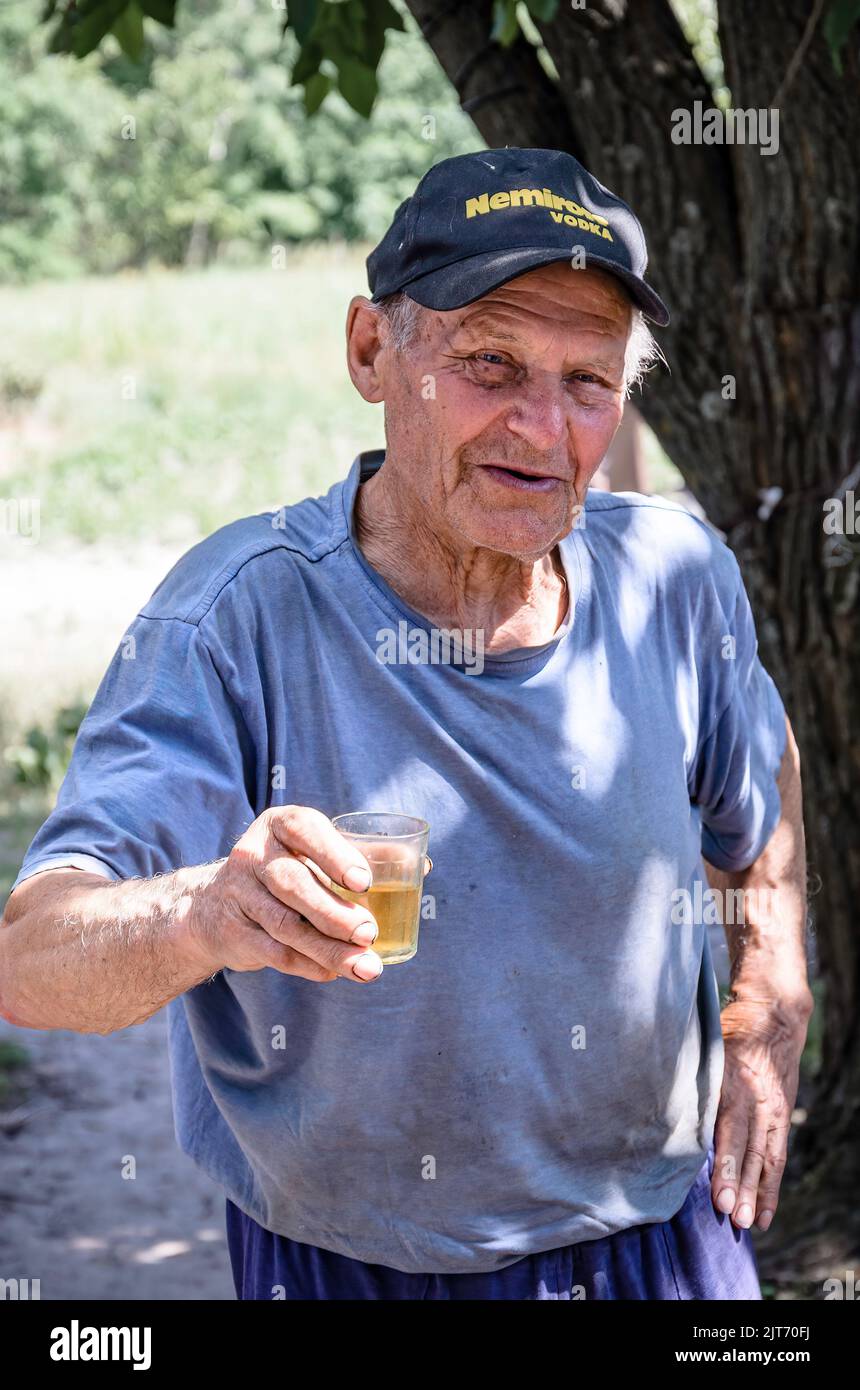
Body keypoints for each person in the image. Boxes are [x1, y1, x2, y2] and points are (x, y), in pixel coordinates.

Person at [0, 148, 812, 1300]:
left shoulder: (673, 581)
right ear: (372, 353)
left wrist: (767, 1004)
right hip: (356, 1267)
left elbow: (756, 792)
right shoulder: (236, 617)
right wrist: (204, 914)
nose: (542, 428)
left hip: (663, 1244)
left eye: (587, 382)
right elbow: (32, 960)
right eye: (489, 362)